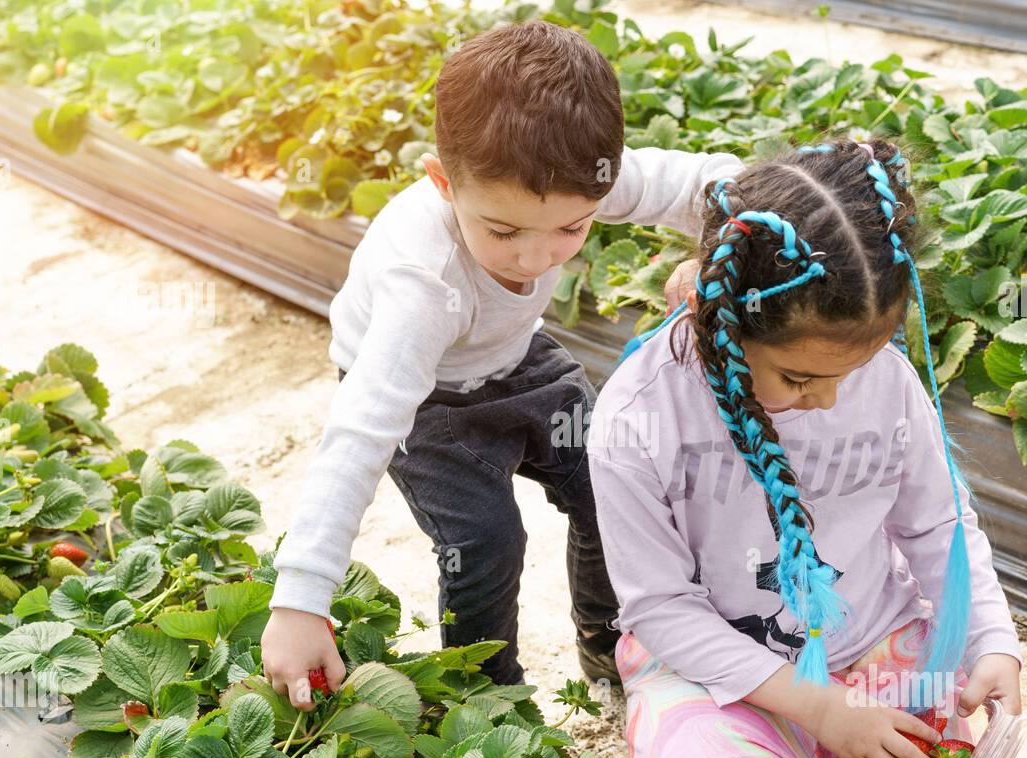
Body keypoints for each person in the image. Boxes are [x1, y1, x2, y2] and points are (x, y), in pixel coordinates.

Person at [260, 20, 745, 710]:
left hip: (516, 358)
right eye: (504, 231)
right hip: (424, 400)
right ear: (443, 182)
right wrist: (301, 599)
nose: (535, 257)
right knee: (485, 540)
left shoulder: (579, 179)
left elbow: (715, 181)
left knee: (615, 480)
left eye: (571, 229)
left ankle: (612, 649)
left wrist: (725, 244)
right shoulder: (422, 284)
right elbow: (362, 429)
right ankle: (484, 701)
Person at [586, 137, 1023, 758]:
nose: (828, 400)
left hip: (869, 645)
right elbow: (660, 606)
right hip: (714, 669)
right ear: (717, 322)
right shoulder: (638, 416)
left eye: (853, 370)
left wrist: (989, 640)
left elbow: (938, 524)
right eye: (796, 379)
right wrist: (820, 707)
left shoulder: (884, 381)